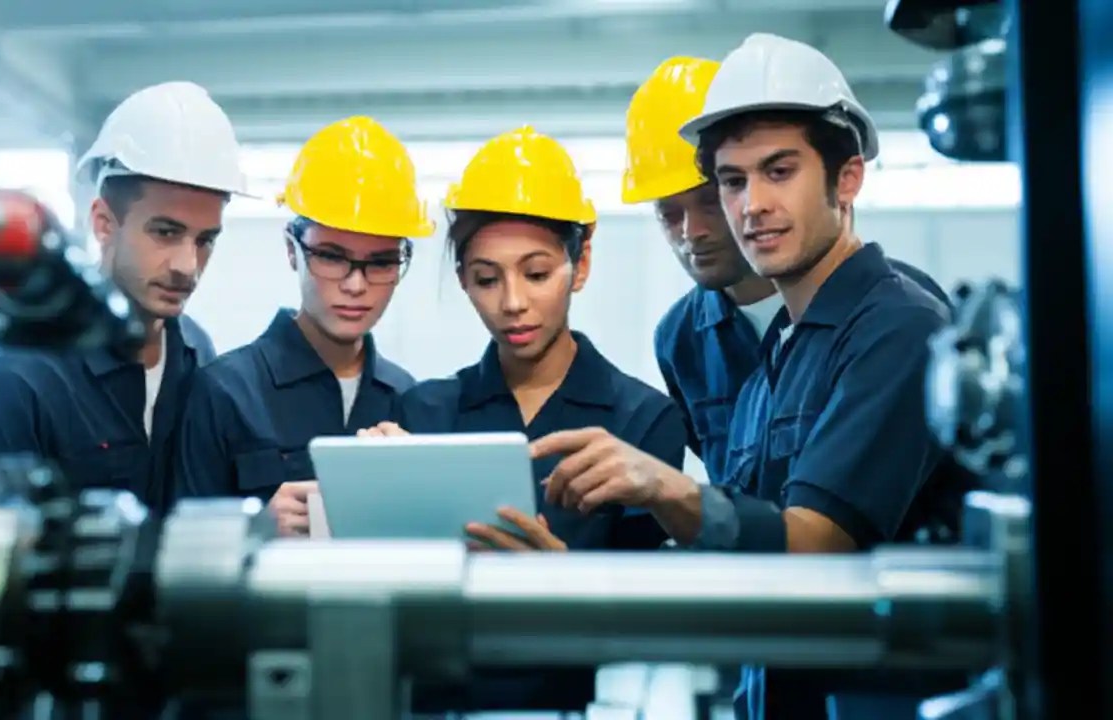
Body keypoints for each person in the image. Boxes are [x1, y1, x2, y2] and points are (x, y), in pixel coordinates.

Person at [535, 33, 965, 718]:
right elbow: (751, 534)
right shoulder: (780, 350)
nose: (748, 206)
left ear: (846, 177)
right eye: (733, 181)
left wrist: (666, 488)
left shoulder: (897, 328)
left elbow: (814, 547)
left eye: (779, 171)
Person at [361, 125, 686, 713]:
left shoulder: (642, 421)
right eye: (487, 279)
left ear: (580, 262)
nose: (512, 302)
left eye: (536, 273)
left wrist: (561, 580)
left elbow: (649, 622)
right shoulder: (422, 413)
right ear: (463, 279)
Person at [624, 55, 952, 486]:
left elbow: (825, 528)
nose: (692, 232)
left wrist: (671, 498)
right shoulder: (679, 339)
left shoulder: (897, 315)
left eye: (709, 200)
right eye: (669, 214)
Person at [0, 81, 249, 515]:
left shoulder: (195, 352)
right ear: (105, 223)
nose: (188, 264)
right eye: (165, 232)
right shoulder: (17, 384)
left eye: (206, 240)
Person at [174, 116, 431, 530]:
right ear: (292, 250)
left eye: (381, 262)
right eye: (331, 256)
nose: (355, 285)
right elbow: (184, 557)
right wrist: (254, 528)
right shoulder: (224, 392)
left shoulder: (410, 400)